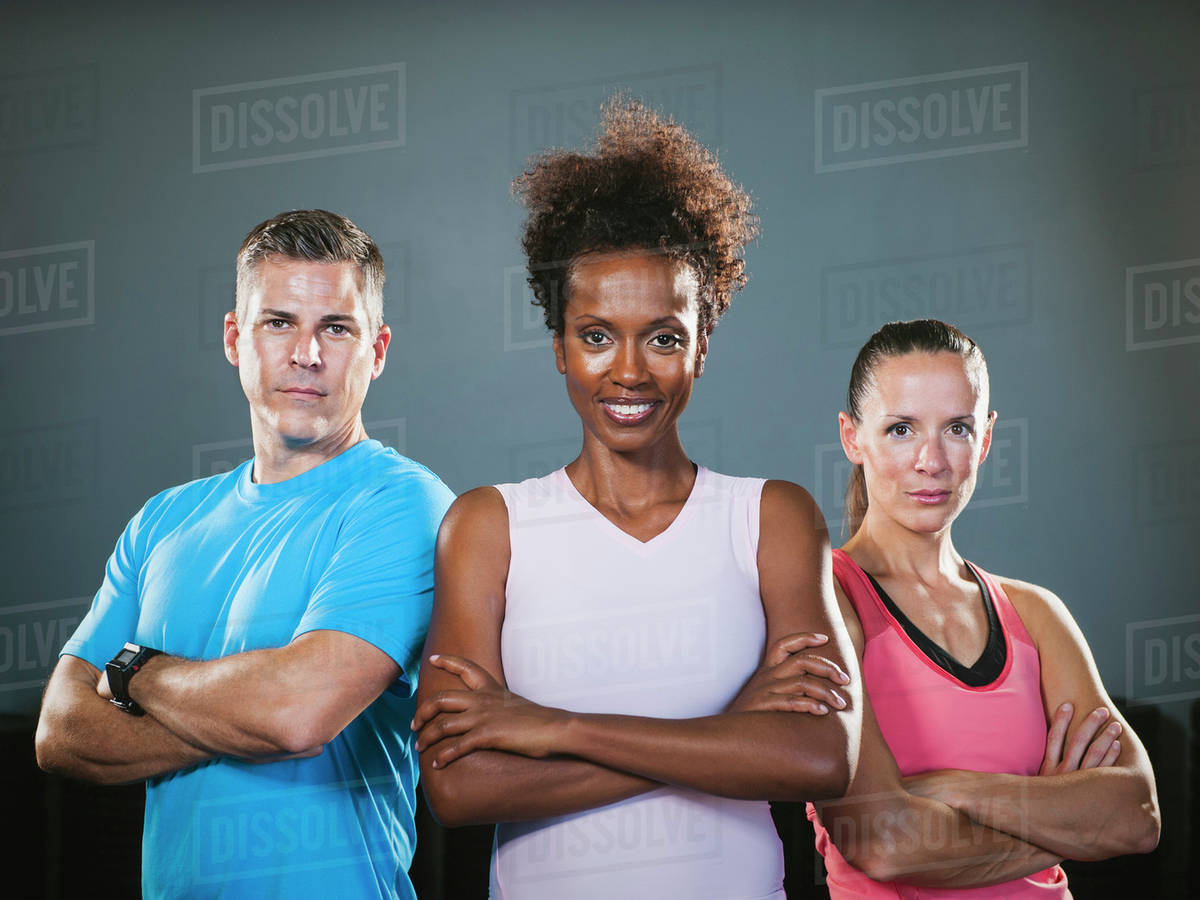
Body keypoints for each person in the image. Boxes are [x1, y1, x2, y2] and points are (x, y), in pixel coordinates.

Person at [410, 98, 862, 900]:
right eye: (595, 335)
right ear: (558, 346)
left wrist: (555, 729)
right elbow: (459, 788)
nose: (628, 371)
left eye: (663, 337)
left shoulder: (772, 519)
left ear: (702, 346)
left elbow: (822, 758)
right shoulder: (489, 527)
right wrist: (730, 735)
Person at [35, 209, 455, 899]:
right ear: (236, 337)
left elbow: (296, 715)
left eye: (336, 328)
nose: (306, 354)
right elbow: (60, 733)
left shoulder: (406, 505)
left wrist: (137, 673)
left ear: (377, 350)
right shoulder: (163, 522)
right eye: (279, 322)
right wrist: (247, 716)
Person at [806, 319, 1160, 896]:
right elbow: (885, 843)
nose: (931, 461)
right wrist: (1069, 823)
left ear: (987, 439)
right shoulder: (825, 599)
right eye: (901, 429)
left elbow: (1136, 815)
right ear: (852, 438)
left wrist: (952, 788)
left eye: (957, 429)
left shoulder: (1035, 613)